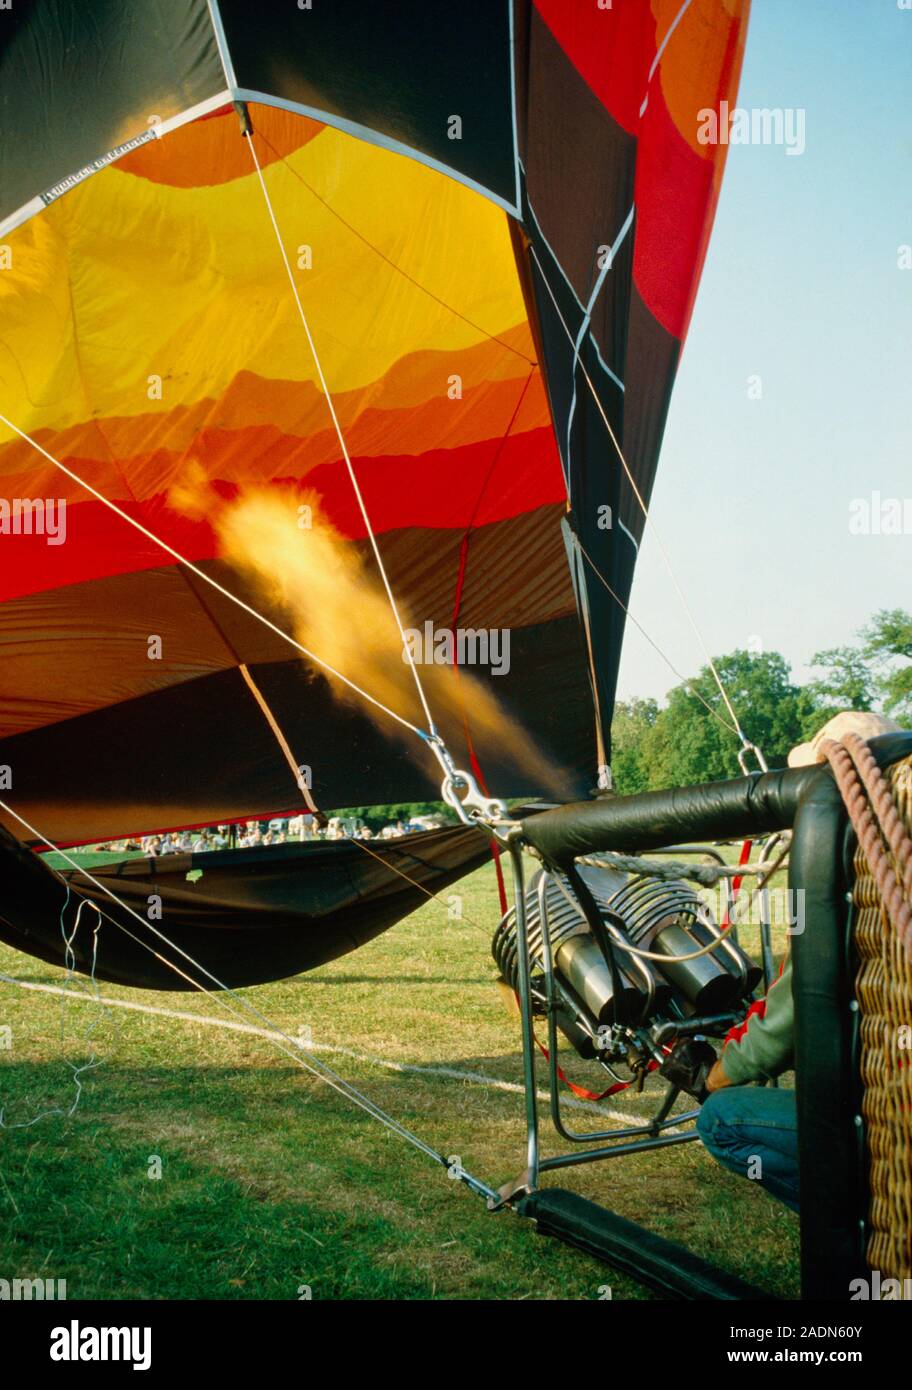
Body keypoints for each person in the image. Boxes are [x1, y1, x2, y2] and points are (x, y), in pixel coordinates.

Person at [697, 709, 900, 1212]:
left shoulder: (844, 884)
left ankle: (855, 1222)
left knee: (720, 1120)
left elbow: (785, 1022)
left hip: (885, 1118)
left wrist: (713, 1076)